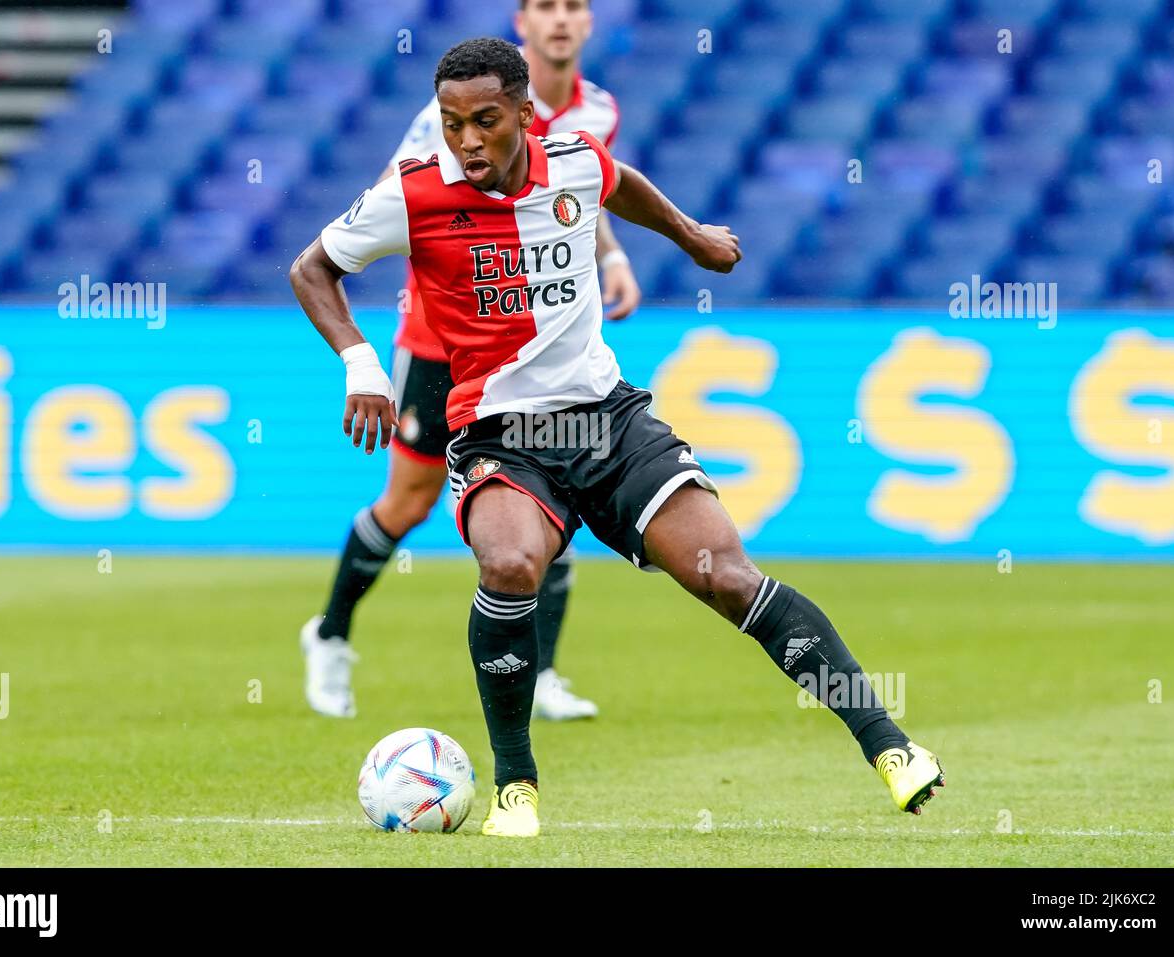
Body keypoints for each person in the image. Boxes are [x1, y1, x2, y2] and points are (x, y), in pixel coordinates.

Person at [290, 38, 946, 838]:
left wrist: (689, 234)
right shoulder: (413, 192)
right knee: (508, 561)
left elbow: (619, 182)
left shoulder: (572, 159)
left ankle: (890, 745)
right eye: (453, 123)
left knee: (727, 576)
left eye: (486, 122)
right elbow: (312, 268)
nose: (466, 142)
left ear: (525, 117)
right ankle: (517, 785)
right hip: (501, 433)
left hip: (608, 419)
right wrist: (361, 365)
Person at [300, 0, 637, 722]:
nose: (559, 20)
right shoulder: (450, 114)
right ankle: (329, 635)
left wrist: (610, 255)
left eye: (573, 6)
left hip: (538, 333)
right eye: (545, 6)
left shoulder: (598, 112)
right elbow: (406, 202)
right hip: (442, 334)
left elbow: (581, 189)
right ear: (522, 23)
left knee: (558, 490)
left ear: (587, 24)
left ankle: (540, 670)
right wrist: (362, 361)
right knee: (410, 501)